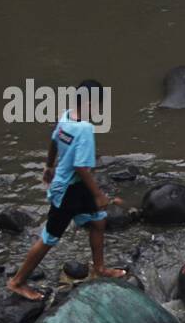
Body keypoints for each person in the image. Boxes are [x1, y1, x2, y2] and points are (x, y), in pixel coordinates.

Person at [7, 80, 126, 300]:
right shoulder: (85, 129)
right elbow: (81, 167)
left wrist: (49, 165)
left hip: (76, 187)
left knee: (98, 221)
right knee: (49, 238)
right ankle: (17, 282)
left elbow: (54, 141)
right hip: (68, 191)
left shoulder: (66, 117)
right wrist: (99, 194)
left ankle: (99, 268)